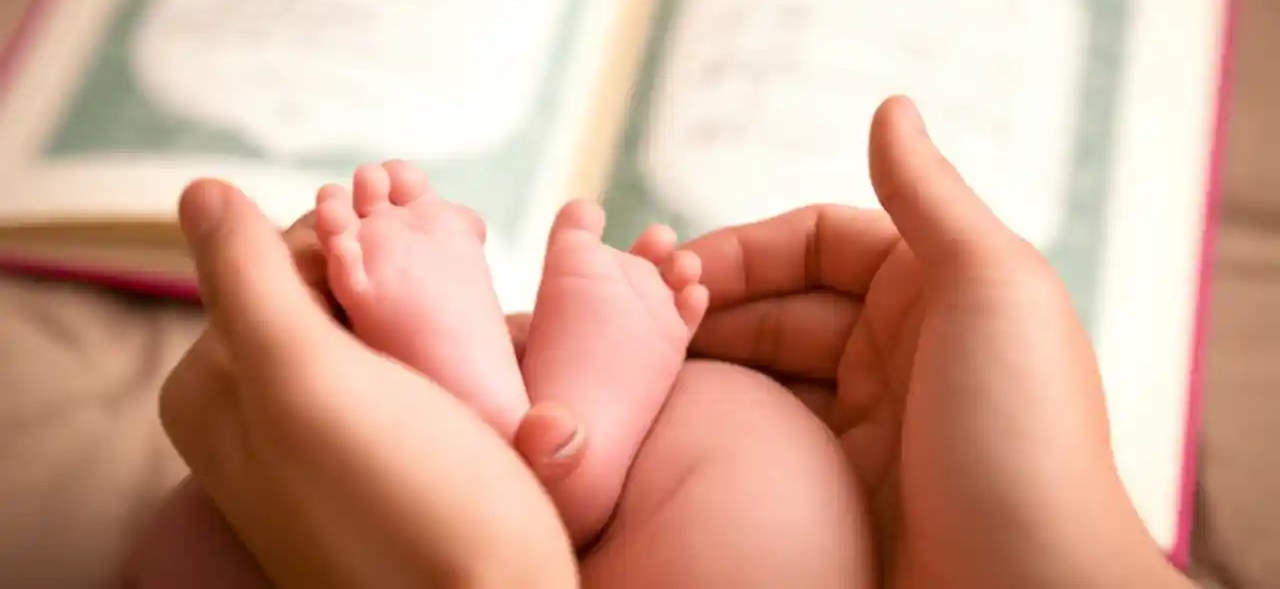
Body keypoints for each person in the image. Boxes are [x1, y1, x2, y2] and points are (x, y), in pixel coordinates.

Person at [135, 96, 1193, 587]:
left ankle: (512, 413)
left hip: (712, 495)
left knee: (206, 523)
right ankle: (526, 414)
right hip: (758, 497)